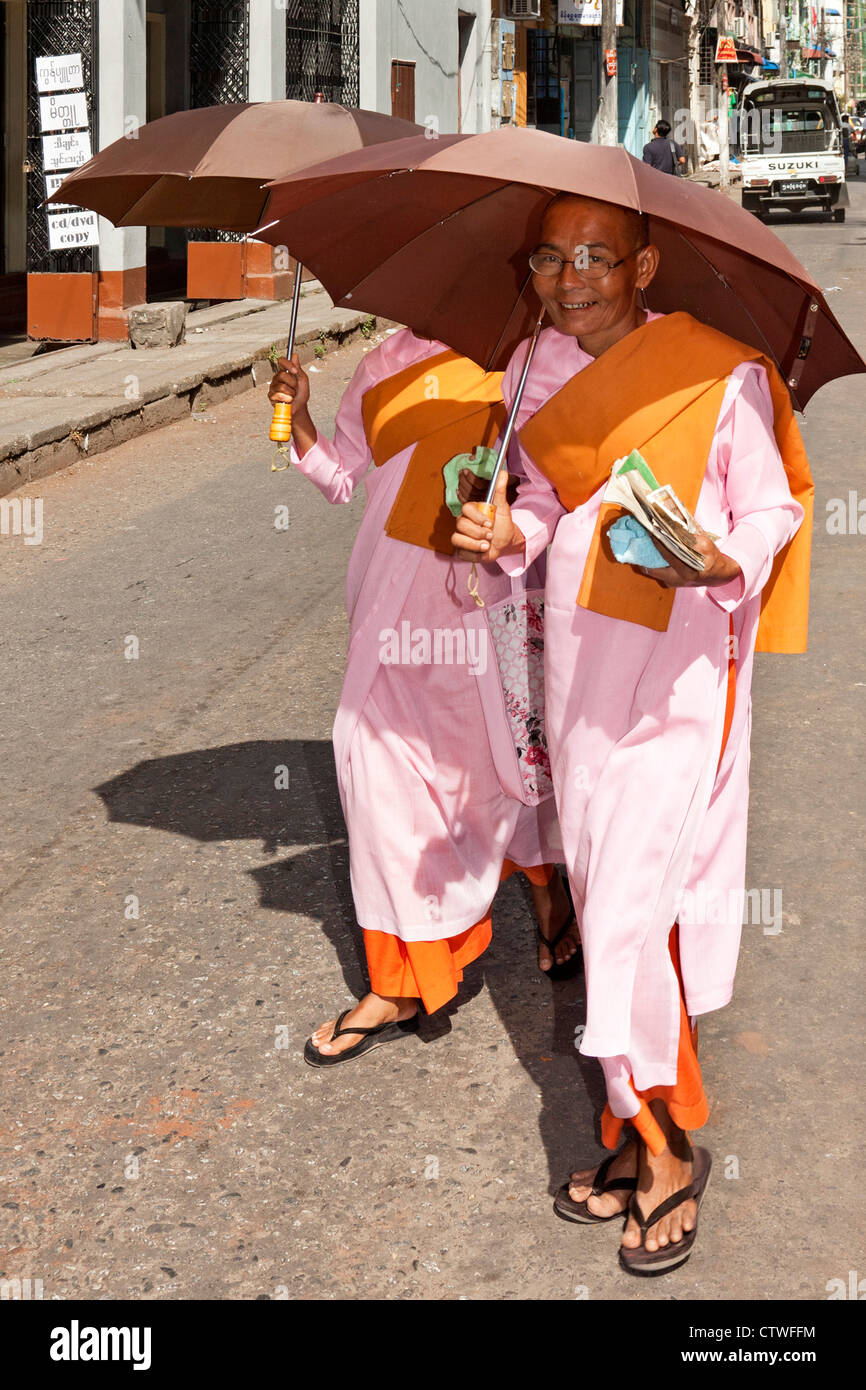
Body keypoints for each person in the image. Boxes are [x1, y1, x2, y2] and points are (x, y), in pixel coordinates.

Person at [454, 193, 812, 1274]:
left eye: (595, 258)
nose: (569, 279)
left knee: (622, 911)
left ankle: (663, 1150)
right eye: (551, 259)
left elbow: (770, 509)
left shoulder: (718, 370)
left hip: (675, 685)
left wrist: (719, 559)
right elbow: (551, 512)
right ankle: (623, 1124)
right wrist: (504, 526)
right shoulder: (537, 371)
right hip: (580, 674)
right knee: (615, 892)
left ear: (642, 264)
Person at [268, 330, 577, 1065]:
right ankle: (403, 976)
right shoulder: (380, 363)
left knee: (498, 763)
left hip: (483, 603)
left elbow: (555, 494)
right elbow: (342, 473)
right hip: (386, 603)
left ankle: (543, 883)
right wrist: (301, 417)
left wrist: (510, 519)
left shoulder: (532, 359)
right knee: (365, 756)